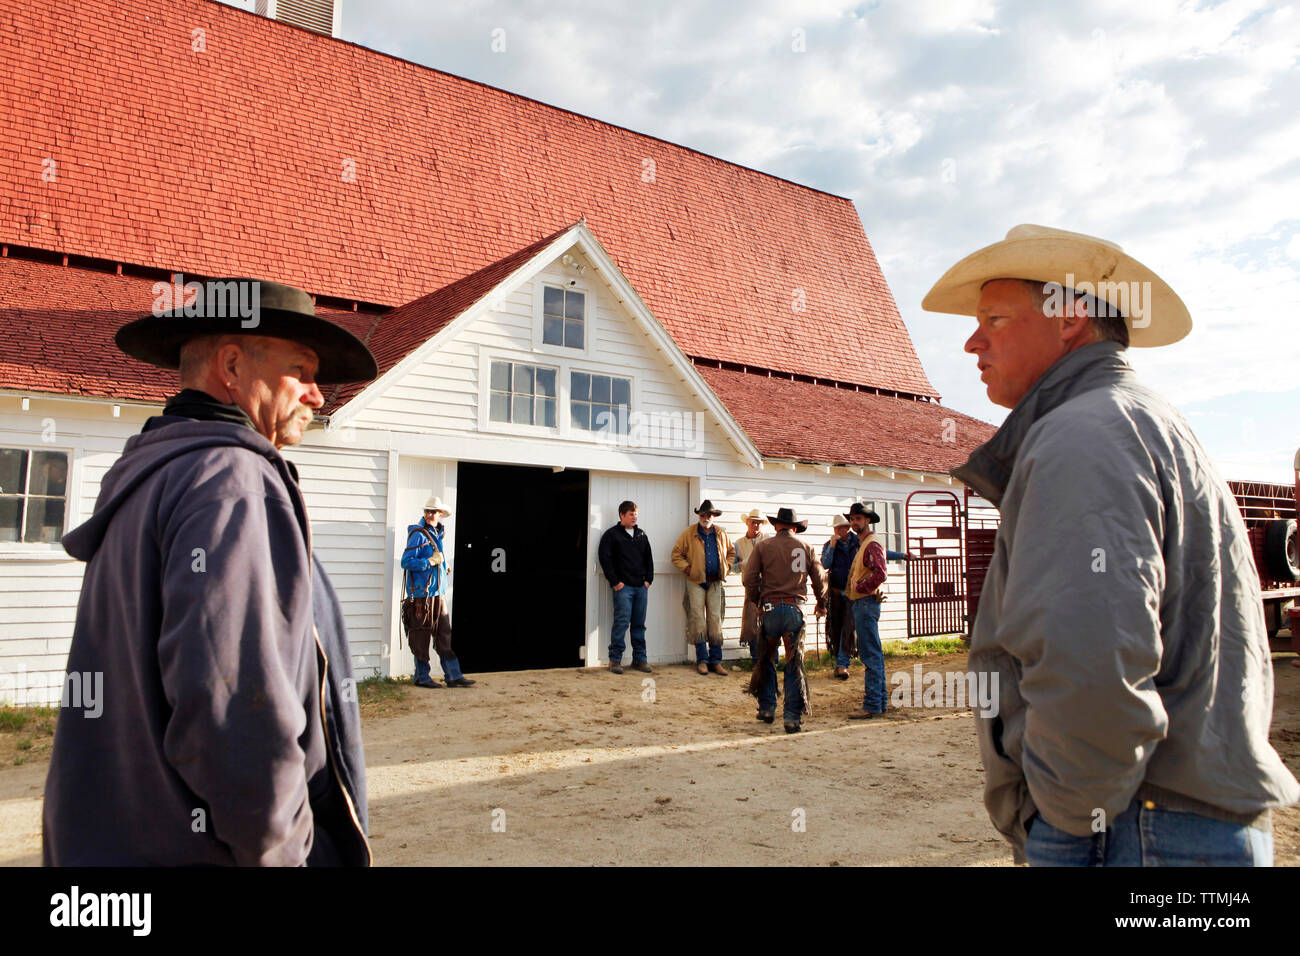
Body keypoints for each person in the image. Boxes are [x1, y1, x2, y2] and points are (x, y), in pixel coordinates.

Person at [923, 223, 1300, 866]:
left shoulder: (1084, 433)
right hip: (1167, 821)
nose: (972, 340)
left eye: (995, 318)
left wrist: (1067, 822)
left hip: (1131, 828)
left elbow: (1091, 658)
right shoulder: (1133, 417)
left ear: (1069, 320)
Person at [44, 278, 375, 865]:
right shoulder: (231, 481)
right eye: (302, 371)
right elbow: (233, 712)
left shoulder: (160, 475)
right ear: (231, 365)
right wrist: (285, 851)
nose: (319, 397)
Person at [742, 508, 827, 733]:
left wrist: (756, 599)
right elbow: (819, 579)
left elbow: (748, 578)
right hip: (795, 609)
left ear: (775, 525)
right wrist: (822, 603)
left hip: (770, 609)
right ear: (795, 527)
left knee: (767, 657)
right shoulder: (807, 547)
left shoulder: (763, 546)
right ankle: (791, 717)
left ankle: (768, 707)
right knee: (793, 662)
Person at [401, 497, 475, 688]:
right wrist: (430, 562)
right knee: (421, 635)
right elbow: (406, 562)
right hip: (422, 595)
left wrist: (443, 565)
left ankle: (453, 675)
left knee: (443, 634)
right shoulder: (419, 534)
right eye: (427, 511)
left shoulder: (435, 534)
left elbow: (434, 557)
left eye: (433, 511)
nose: (429, 514)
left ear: (440, 514)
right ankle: (422, 677)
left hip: (437, 593)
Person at [671, 500, 736, 675]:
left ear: (714, 516)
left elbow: (731, 553)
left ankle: (716, 661)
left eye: (709, 515)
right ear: (699, 515)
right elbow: (676, 554)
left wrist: (727, 567)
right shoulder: (689, 533)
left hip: (715, 581)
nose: (706, 518)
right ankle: (702, 660)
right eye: (702, 515)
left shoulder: (721, 533)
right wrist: (688, 569)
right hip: (696, 582)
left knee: (715, 619)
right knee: (697, 618)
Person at [597, 500, 654, 674]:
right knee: (621, 623)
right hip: (624, 588)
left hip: (640, 588)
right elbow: (604, 558)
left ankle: (640, 659)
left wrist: (648, 580)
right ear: (622, 515)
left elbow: (648, 559)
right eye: (631, 514)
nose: (634, 517)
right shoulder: (612, 535)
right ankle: (615, 660)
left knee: (639, 624)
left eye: (636, 514)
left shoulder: (642, 535)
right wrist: (615, 582)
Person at [845, 506, 889, 720]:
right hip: (866, 603)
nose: (855, 522)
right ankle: (879, 702)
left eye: (858, 519)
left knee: (870, 653)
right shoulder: (868, 543)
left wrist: (860, 587)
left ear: (867, 520)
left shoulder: (871, 543)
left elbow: (880, 573)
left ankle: (872, 703)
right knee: (874, 653)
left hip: (865, 602)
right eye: (852, 519)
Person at [820, 514, 857, 678]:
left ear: (847, 528)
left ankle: (842, 664)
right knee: (836, 628)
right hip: (835, 593)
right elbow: (825, 564)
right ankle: (840, 661)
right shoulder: (829, 545)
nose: (839, 530)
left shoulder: (858, 543)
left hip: (853, 592)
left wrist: (902, 556)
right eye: (837, 527)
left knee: (848, 627)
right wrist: (833, 546)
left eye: (842, 527)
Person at [733, 508, 769, 660]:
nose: (756, 526)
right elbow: (732, 567)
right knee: (751, 622)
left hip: (768, 586)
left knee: (769, 621)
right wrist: (742, 564)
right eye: (753, 522)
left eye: (759, 523)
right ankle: (756, 658)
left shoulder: (768, 540)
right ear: (747, 523)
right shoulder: (738, 544)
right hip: (750, 587)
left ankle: (771, 658)